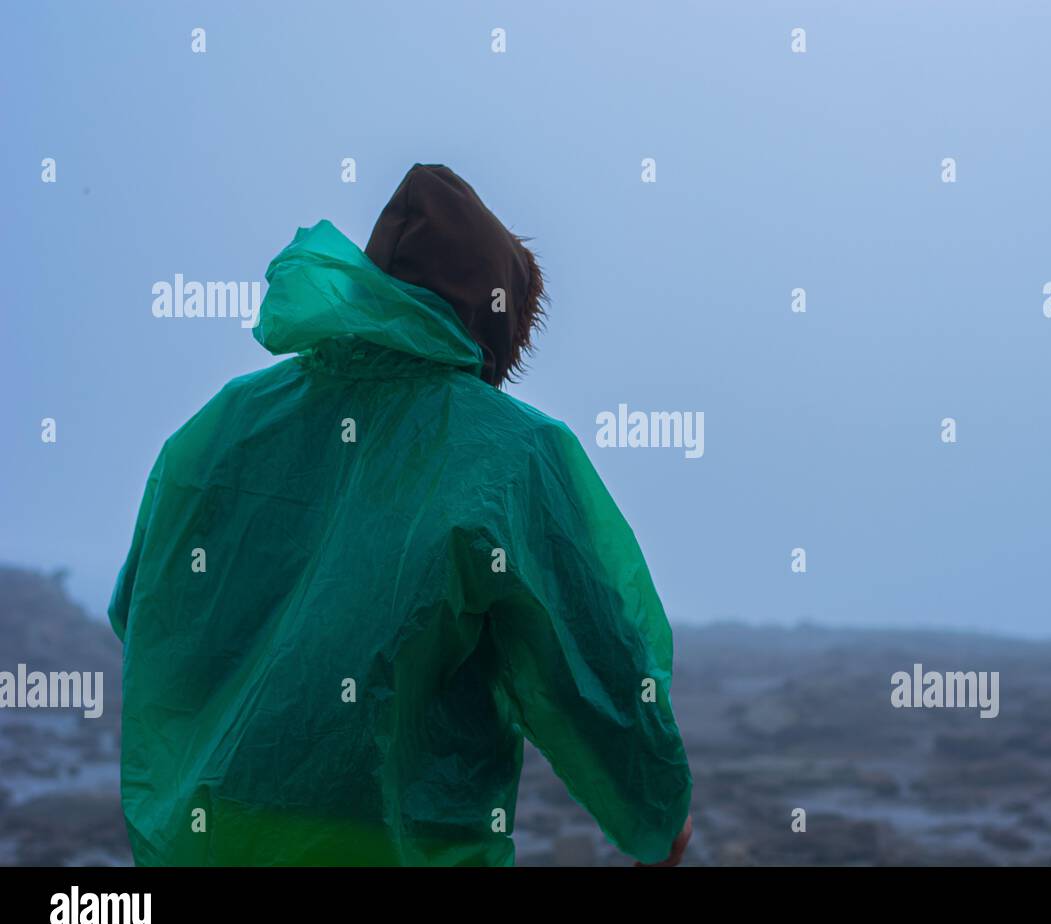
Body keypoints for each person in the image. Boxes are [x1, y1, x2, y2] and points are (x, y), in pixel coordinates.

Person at [109, 164, 693, 866]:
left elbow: (140, 614)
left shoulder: (220, 427)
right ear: (500, 322)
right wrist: (659, 818)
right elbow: (595, 668)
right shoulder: (513, 455)